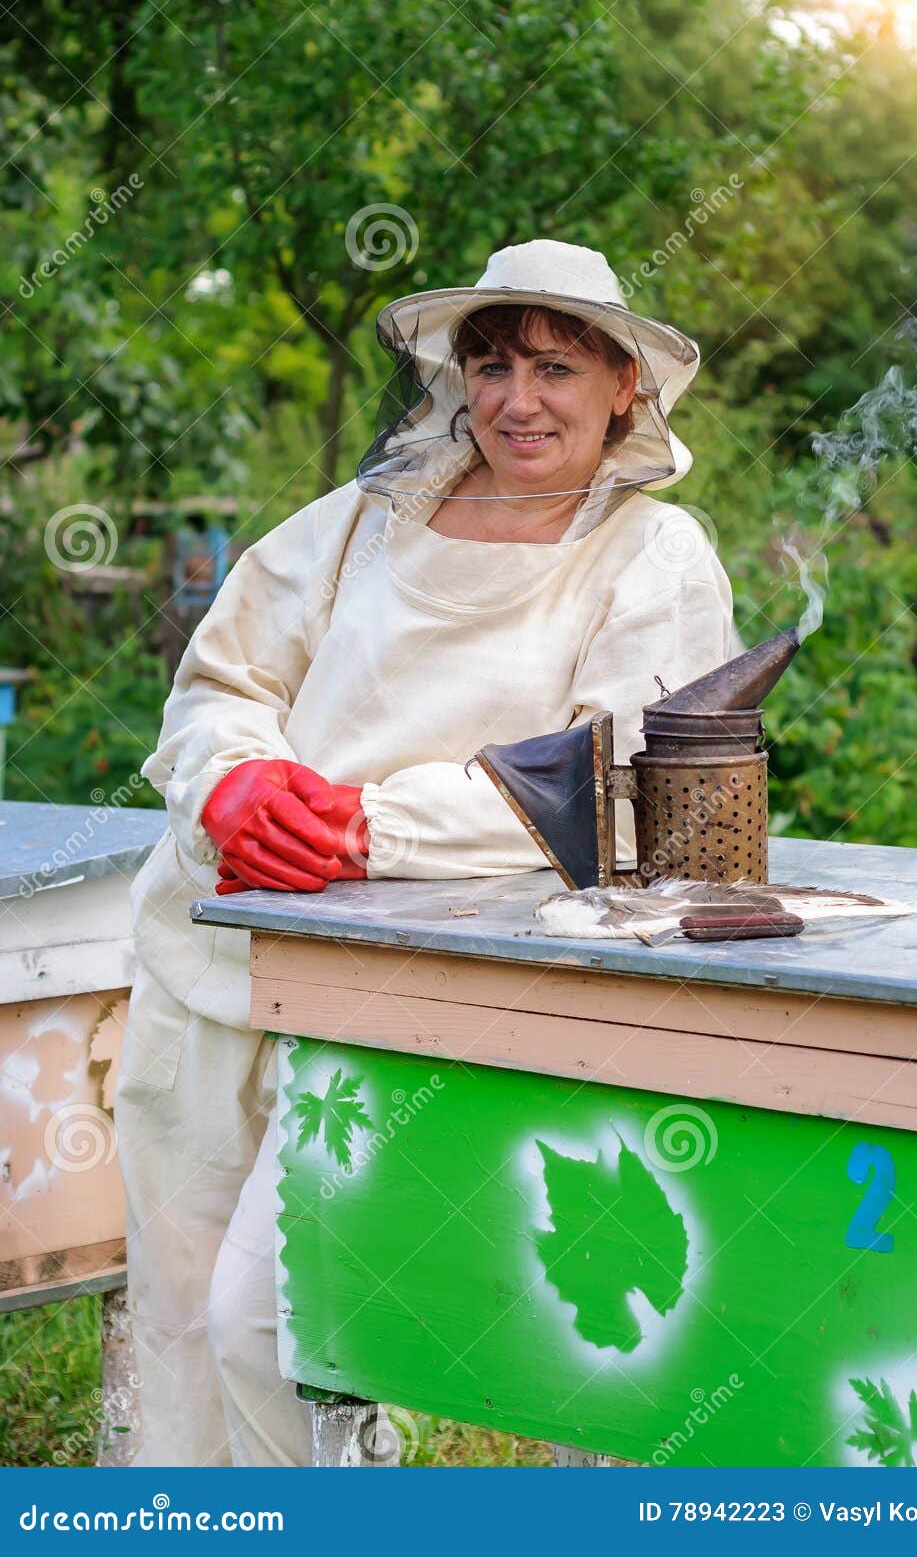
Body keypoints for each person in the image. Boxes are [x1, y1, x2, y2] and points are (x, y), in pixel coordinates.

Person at [113, 237, 734, 1466]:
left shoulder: (654, 557)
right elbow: (224, 679)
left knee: (275, 1315)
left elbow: (613, 786)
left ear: (625, 386)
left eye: (555, 366)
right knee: (185, 1307)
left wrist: (362, 826)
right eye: (491, 363)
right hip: (215, 940)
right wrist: (231, 784)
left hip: (418, 990)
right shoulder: (358, 519)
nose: (516, 399)